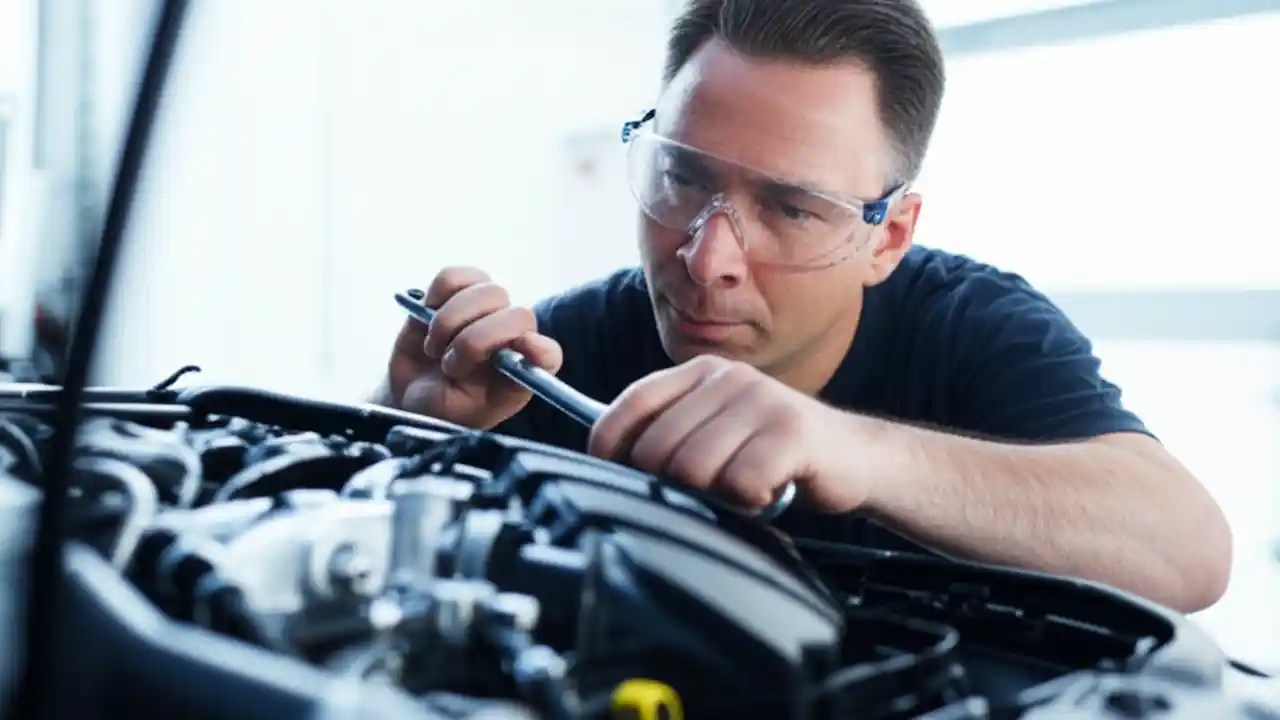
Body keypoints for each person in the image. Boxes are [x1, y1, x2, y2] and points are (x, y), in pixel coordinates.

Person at [371, 0, 1231, 613]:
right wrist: (410, 433)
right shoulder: (552, 358)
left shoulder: (972, 328)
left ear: (889, 236)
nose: (706, 261)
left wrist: (853, 449)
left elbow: (1189, 554)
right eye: (683, 177)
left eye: (789, 208)